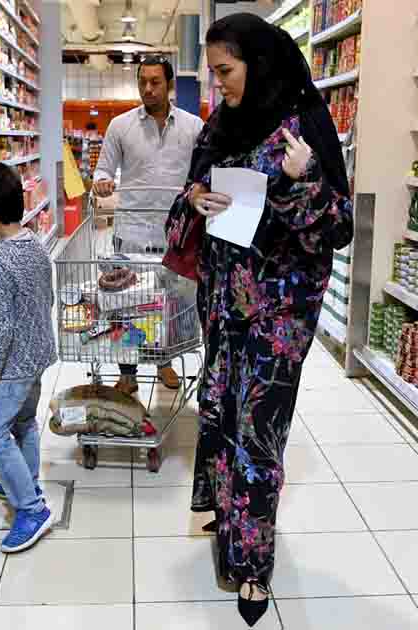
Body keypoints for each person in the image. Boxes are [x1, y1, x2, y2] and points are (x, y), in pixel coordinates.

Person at [162, 14, 353, 626]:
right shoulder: (220, 124)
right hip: (223, 305)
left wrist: (299, 183)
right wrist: (195, 198)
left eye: (226, 71)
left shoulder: (303, 126)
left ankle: (254, 567)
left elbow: (339, 228)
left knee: (260, 431)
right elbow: (184, 200)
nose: (218, 88)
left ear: (259, 63)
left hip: (278, 315)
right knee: (218, 414)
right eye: (213, 73)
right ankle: (227, 528)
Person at [93, 55, 204, 396]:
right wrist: (101, 182)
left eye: (155, 81)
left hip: (175, 237)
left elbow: (203, 174)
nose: (148, 88)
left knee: (167, 305)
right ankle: (127, 372)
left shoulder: (194, 127)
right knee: (126, 305)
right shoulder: (120, 126)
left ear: (169, 84)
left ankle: (164, 362)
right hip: (132, 233)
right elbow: (103, 170)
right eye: (142, 81)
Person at [0, 162, 58, 554]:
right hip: (40, 351)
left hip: (16, 363)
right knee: (24, 421)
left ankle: (32, 508)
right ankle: (26, 479)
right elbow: (47, 297)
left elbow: (1, 325)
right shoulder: (35, 242)